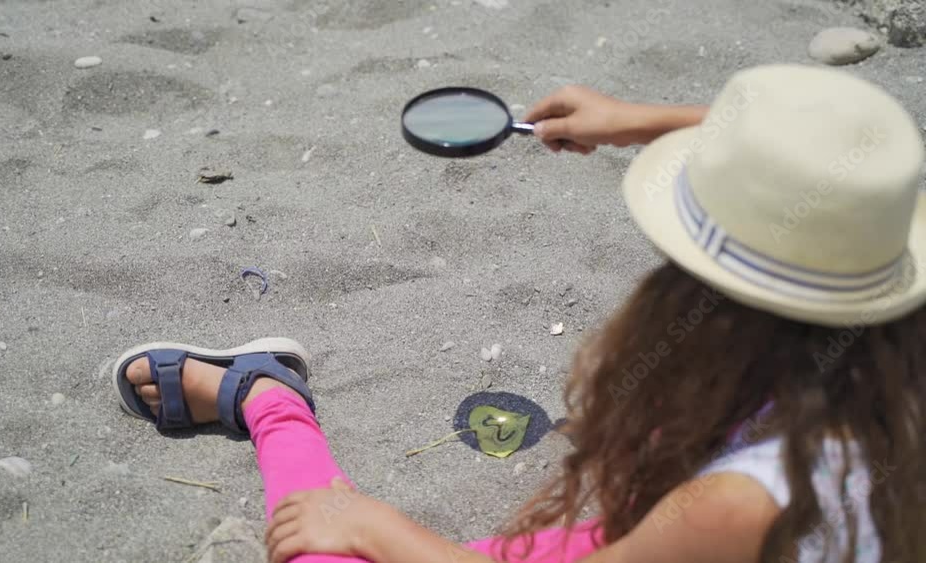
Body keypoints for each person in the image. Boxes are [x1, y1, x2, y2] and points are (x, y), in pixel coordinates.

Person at [111, 64, 925, 563]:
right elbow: (845, 194)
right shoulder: (891, 327)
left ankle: (272, 403)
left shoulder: (737, 506)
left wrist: (371, 522)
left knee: (325, 546)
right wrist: (645, 121)